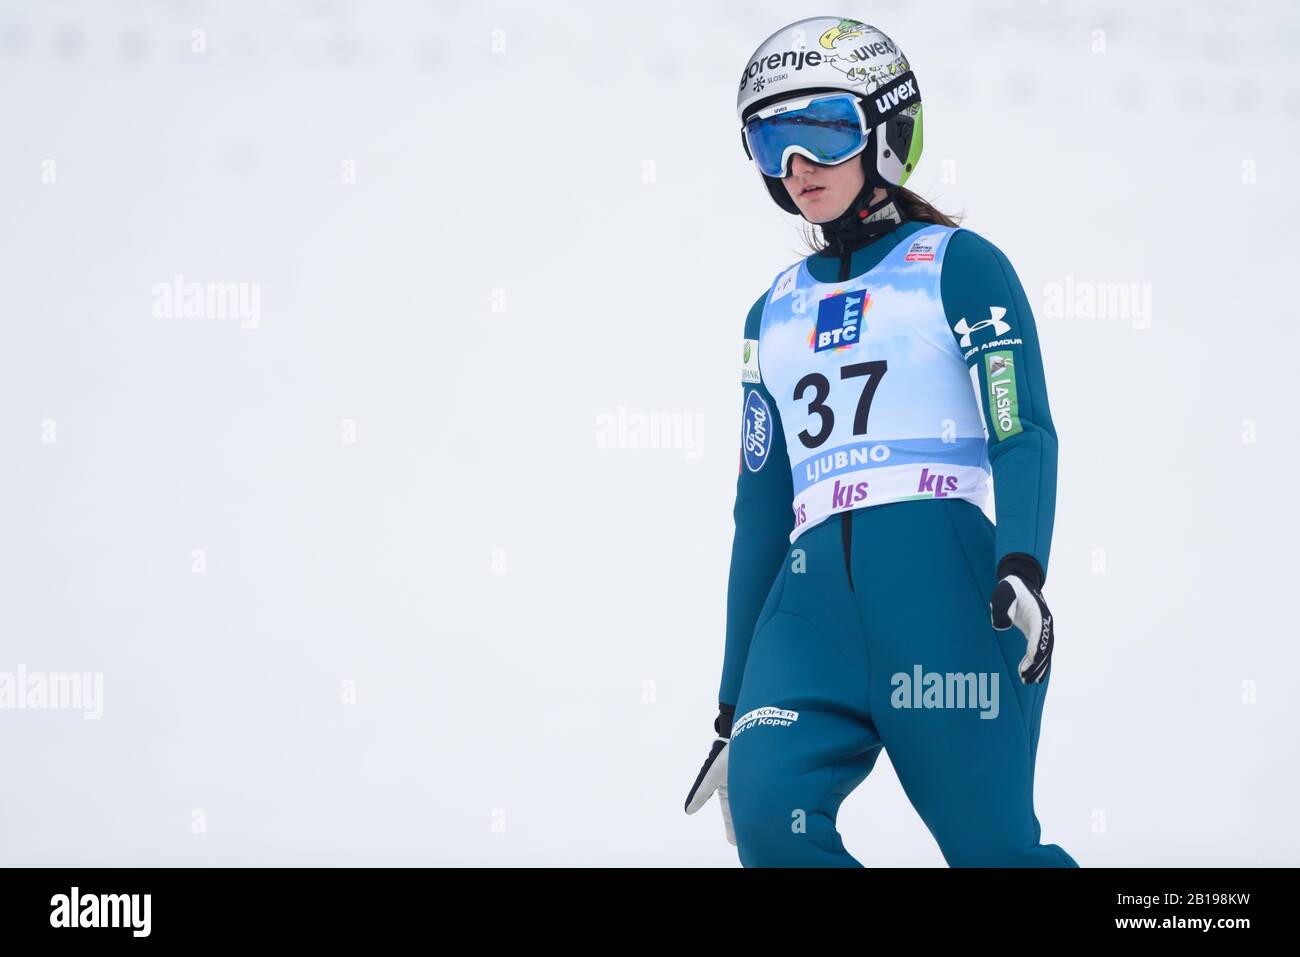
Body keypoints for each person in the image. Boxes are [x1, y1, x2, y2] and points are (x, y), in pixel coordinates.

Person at [684, 16, 1078, 868]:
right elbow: (759, 510)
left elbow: (1022, 429)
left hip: (943, 592)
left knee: (995, 852)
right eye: (769, 141)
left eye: (822, 129)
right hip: (808, 608)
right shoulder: (771, 312)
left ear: (887, 129)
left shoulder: (960, 264)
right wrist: (729, 705)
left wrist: (1023, 567)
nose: (797, 166)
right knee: (771, 824)